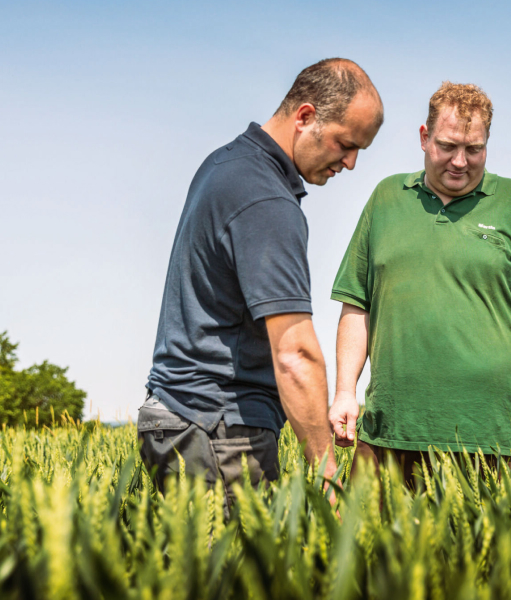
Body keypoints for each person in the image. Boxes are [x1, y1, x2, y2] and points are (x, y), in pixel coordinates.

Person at [139, 58, 383, 509]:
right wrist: (327, 472)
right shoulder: (266, 199)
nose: (350, 163)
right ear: (306, 117)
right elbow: (295, 353)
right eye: (346, 144)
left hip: (177, 415)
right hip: (217, 427)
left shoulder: (225, 163)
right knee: (237, 577)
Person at [328, 82, 511, 485]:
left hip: (497, 435)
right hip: (394, 429)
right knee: (364, 543)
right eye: (448, 146)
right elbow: (355, 306)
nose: (461, 161)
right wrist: (345, 389)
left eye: (474, 149)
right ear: (424, 138)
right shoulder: (386, 199)